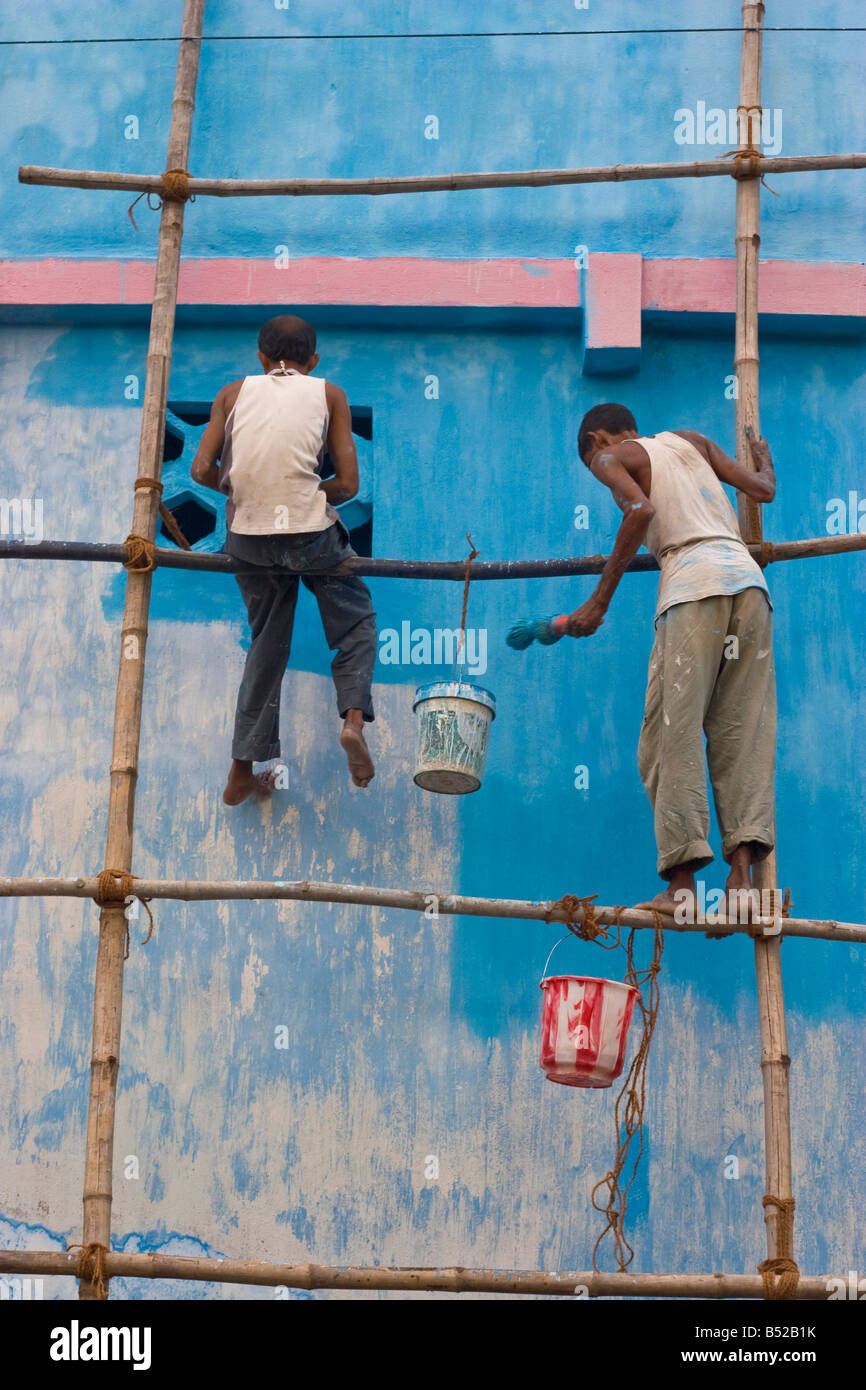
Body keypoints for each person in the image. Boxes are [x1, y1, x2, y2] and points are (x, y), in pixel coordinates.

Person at [570, 403, 776, 915]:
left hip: (692, 586)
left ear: (598, 440)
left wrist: (598, 601)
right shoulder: (691, 439)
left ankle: (682, 885)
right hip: (749, 585)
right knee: (741, 731)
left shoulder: (609, 456)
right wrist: (764, 459)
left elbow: (640, 511)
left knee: (668, 734)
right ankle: (741, 881)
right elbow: (763, 489)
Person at [191, 314, 377, 803]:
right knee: (354, 621)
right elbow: (350, 485)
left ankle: (240, 768)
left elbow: (199, 469)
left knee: (267, 644)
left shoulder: (232, 394)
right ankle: (353, 720)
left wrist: (236, 492)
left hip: (247, 537)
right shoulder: (329, 393)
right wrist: (315, 493)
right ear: (313, 361)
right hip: (311, 535)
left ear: (259, 357)